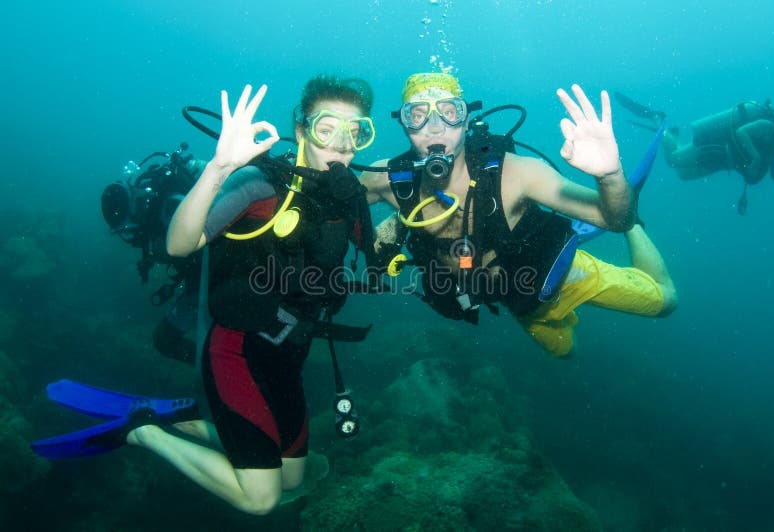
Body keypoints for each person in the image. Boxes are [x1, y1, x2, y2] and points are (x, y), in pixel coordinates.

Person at [33, 76, 377, 515]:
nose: (343, 144)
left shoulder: (348, 198)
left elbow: (383, 232)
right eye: (328, 128)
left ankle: (188, 419)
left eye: (356, 132)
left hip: (288, 358)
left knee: (295, 477)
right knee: (262, 499)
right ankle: (144, 432)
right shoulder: (263, 184)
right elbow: (179, 244)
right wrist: (219, 167)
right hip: (238, 350)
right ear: (301, 129)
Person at [361, 72, 678, 357]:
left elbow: (614, 220)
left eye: (449, 112)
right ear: (403, 124)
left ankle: (638, 228)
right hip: (518, 300)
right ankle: (560, 316)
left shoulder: (518, 174)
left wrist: (610, 177)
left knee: (665, 302)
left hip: (560, 278)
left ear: (467, 120)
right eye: (416, 115)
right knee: (565, 352)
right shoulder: (386, 180)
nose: (434, 127)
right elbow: (330, 204)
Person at [100, 144, 206, 363]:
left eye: (127, 228)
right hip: (207, 278)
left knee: (165, 340)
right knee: (165, 340)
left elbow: (205, 248)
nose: (131, 235)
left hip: (216, 276)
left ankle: (216, 368)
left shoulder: (170, 207)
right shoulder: (155, 210)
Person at [661, 100, 774, 213]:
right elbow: (741, 132)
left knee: (683, 174)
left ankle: (673, 135)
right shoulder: (770, 126)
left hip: (723, 162)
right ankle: (659, 122)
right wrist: (756, 158)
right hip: (716, 146)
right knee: (673, 160)